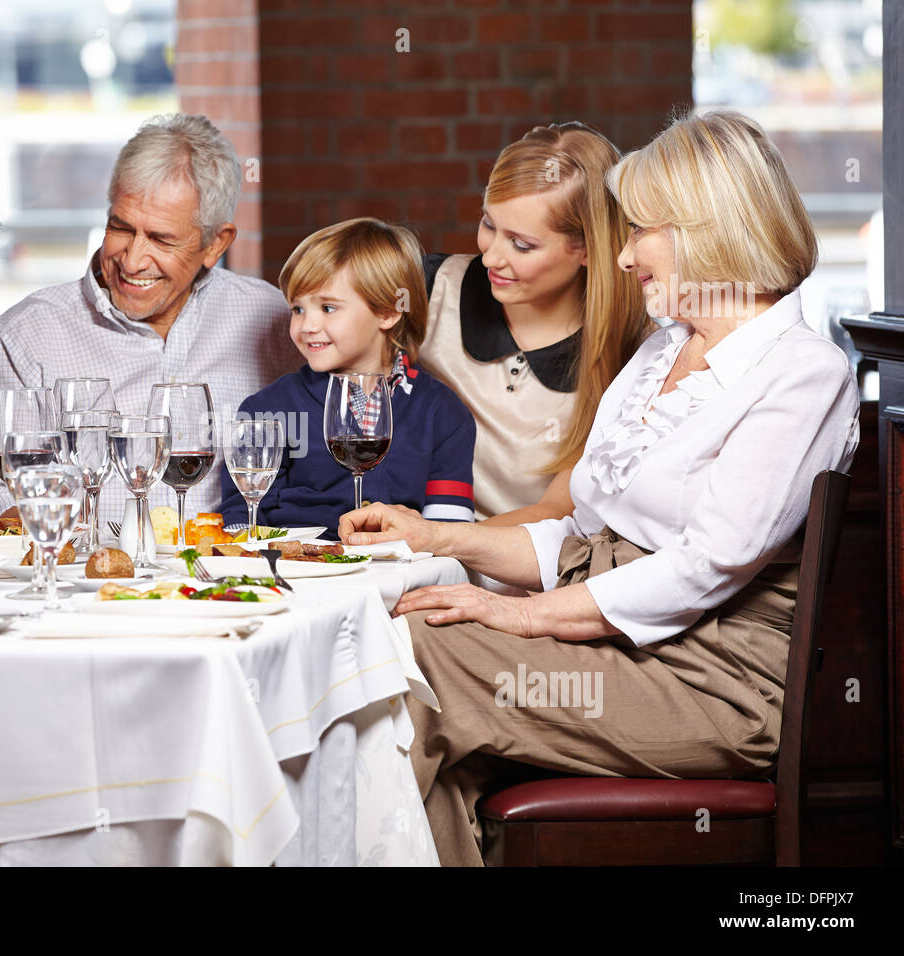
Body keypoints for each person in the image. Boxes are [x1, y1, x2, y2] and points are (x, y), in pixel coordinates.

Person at [339, 110, 860, 866]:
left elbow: (708, 564)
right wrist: (434, 536)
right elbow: (578, 535)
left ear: (706, 229)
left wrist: (521, 619)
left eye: (643, 230)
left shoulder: (803, 373)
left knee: (420, 657)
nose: (625, 259)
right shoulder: (662, 351)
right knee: (411, 677)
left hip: (710, 686)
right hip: (622, 659)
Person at [0, 113, 301, 519]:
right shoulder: (23, 335)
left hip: (230, 575)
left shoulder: (273, 321)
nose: (132, 259)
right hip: (88, 576)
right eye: (121, 228)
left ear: (216, 244)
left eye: (162, 239)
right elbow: (0, 495)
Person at [421, 122, 651, 524]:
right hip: (412, 554)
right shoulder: (427, 288)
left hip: (519, 570)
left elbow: (554, 513)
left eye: (522, 244)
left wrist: (431, 544)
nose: (491, 257)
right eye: (488, 224)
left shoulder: (637, 353)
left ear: (586, 249)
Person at [217, 218, 475, 535]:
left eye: (327, 308)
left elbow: (450, 533)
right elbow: (243, 515)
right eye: (297, 309)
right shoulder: (265, 411)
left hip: (406, 577)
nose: (307, 325)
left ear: (388, 312)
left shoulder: (444, 413)